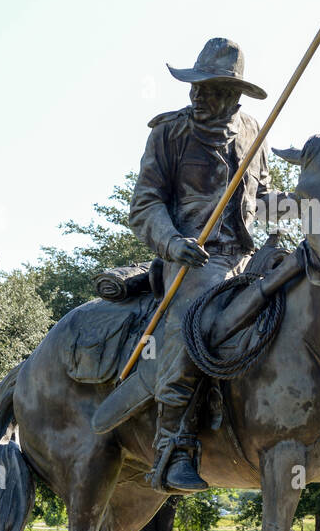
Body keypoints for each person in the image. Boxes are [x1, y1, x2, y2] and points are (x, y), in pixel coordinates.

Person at [93, 37, 272, 491]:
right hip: (195, 259)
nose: (196, 95)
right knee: (194, 321)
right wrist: (173, 243)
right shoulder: (169, 133)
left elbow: (265, 203)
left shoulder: (254, 133)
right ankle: (174, 446)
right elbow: (145, 203)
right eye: (195, 85)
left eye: (209, 88)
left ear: (233, 93)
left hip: (247, 258)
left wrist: (318, 206)